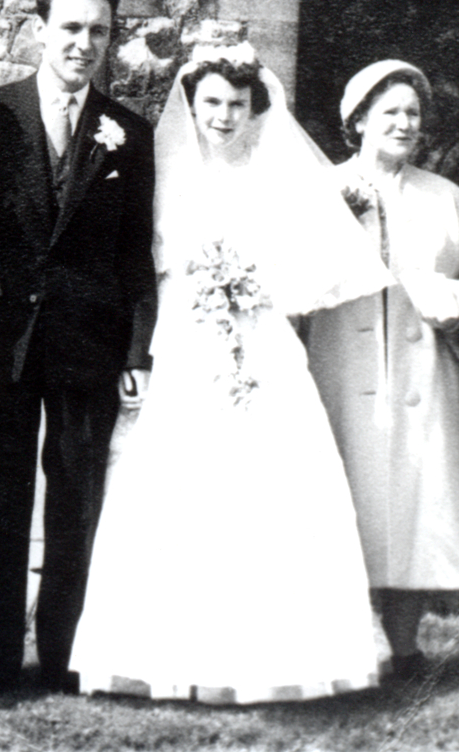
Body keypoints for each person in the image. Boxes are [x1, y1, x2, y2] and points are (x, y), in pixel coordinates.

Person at [69, 45, 393, 704]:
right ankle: (170, 652)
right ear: (193, 105)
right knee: (183, 487)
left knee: (269, 485)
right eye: (210, 102)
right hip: (187, 345)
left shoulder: (278, 178)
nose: (222, 115)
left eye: (235, 104)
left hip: (262, 347)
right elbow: (142, 266)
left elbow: (310, 267)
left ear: (254, 108)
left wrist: (253, 288)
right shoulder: (163, 174)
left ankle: (275, 653)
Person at [0, 0, 157, 699]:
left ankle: (66, 657)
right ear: (41, 29)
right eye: (70, 28)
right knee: (2, 504)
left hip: (88, 345)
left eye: (98, 31)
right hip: (2, 342)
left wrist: (136, 349)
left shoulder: (128, 132)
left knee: (76, 504)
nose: (84, 44)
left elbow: (135, 253)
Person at [307, 60, 459, 680]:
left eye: (413, 114)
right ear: (358, 120)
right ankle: (347, 643)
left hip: (423, 378)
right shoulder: (318, 190)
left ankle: (409, 645)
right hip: (340, 371)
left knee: (416, 511)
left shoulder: (447, 198)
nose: (403, 123)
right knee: (347, 506)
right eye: (389, 111)